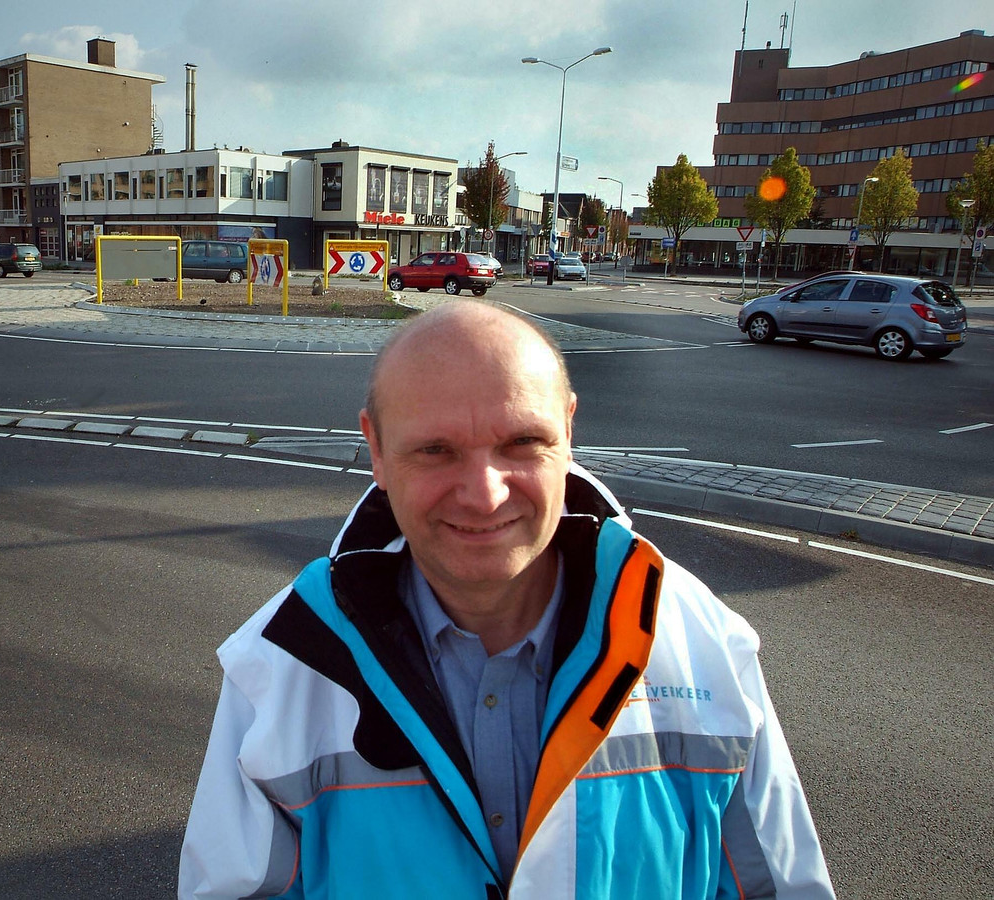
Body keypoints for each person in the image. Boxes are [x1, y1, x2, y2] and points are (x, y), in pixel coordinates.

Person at [179, 301, 834, 899]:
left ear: (568, 430)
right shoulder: (282, 662)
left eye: (522, 444)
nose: (486, 495)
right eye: (436, 451)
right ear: (375, 449)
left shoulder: (699, 639)